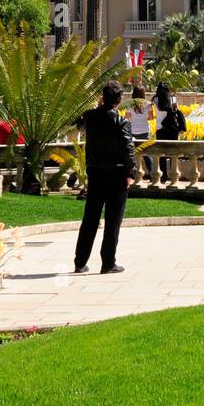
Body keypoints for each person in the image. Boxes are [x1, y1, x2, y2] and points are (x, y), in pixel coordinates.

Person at [73, 81, 137, 276]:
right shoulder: (121, 122)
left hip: (95, 172)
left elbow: (78, 123)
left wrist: (95, 107)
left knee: (90, 218)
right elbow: (128, 150)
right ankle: (108, 262)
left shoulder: (91, 117)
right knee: (112, 220)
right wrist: (131, 173)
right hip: (116, 175)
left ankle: (80, 261)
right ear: (118, 100)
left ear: (103, 98)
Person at [127, 85, 156, 179]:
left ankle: (133, 176)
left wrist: (135, 119)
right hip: (144, 131)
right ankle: (152, 175)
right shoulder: (148, 104)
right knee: (146, 155)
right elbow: (151, 118)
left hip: (133, 131)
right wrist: (143, 118)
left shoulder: (129, 104)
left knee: (133, 155)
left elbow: (126, 117)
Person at [155, 98, 187, 180]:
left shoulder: (156, 99)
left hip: (161, 129)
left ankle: (164, 175)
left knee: (162, 154)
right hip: (173, 131)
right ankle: (173, 174)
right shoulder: (173, 99)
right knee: (173, 154)